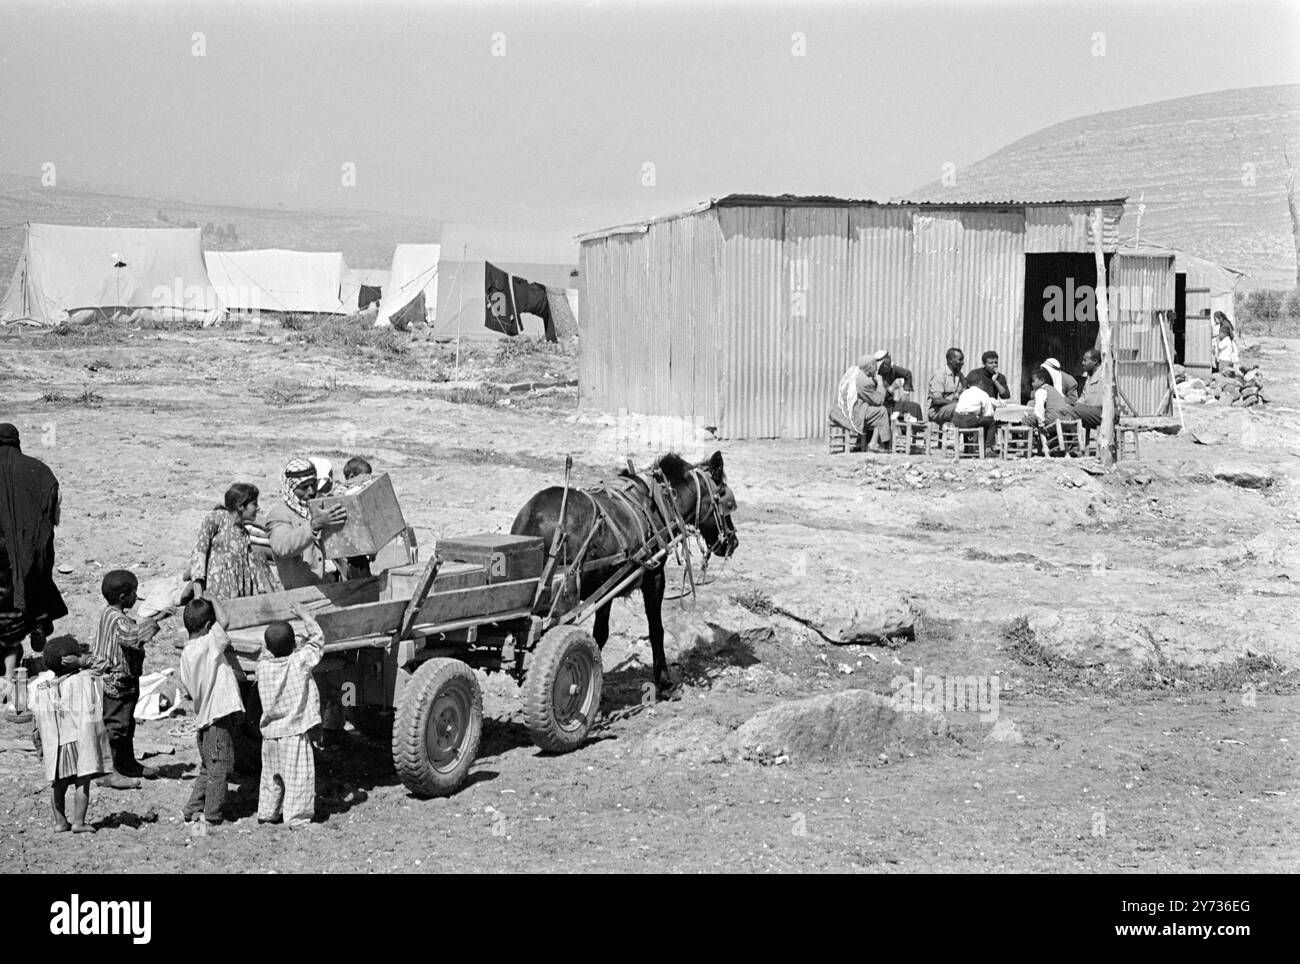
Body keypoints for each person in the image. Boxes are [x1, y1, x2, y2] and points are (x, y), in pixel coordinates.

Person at [0, 423, 67, 684]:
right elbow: (54, 518)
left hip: (2, 562)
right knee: (36, 587)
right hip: (32, 555)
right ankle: (37, 626)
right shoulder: (40, 471)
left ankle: (8, 660)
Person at [32, 636, 112, 833]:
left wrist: (40, 745)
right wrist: (82, 662)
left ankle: (60, 822)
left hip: (56, 746)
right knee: (82, 783)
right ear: (70, 660)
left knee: (57, 785)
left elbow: (37, 723)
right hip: (77, 742)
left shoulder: (43, 688)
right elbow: (104, 666)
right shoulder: (81, 679)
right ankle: (79, 822)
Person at [257, 602, 324, 828]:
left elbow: (265, 654)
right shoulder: (299, 662)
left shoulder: (262, 668)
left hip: (270, 735)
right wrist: (305, 616)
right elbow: (317, 641)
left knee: (271, 777)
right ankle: (296, 818)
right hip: (294, 733)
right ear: (294, 645)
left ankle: (268, 812)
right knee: (298, 778)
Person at [179, 597, 243, 825]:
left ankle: (193, 807)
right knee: (219, 769)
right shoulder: (209, 644)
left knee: (209, 768)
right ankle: (213, 814)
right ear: (208, 627)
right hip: (217, 717)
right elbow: (224, 620)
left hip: (204, 717)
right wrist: (213, 596)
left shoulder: (186, 654)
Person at [93, 569, 159, 788]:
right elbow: (132, 637)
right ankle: (107, 772)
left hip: (122, 680)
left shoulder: (108, 613)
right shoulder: (119, 621)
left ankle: (127, 763)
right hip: (117, 683)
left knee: (126, 724)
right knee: (116, 727)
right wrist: (156, 620)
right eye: (134, 593)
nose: (136, 597)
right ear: (123, 597)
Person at [262, 458, 347, 590]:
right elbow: (283, 546)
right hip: (301, 592)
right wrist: (314, 526)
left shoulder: (322, 506)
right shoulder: (279, 515)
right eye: (304, 487)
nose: (311, 491)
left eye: (313, 484)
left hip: (333, 587)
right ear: (290, 488)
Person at [190, 483, 274, 602]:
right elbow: (199, 554)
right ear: (240, 506)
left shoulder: (243, 533)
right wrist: (198, 596)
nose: (258, 508)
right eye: (254, 504)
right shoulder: (216, 519)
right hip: (214, 596)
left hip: (238, 596)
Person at [831, 355, 893, 452]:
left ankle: (860, 442)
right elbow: (878, 401)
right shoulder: (864, 382)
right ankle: (876, 444)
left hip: (841, 409)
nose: (876, 370)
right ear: (870, 367)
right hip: (852, 414)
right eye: (875, 366)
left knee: (871, 410)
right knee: (881, 411)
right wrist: (880, 384)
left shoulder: (854, 371)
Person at [1022, 367, 1080, 455]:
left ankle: (1026, 449)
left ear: (1041, 380)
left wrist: (1041, 425)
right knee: (1036, 418)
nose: (1032, 384)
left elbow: (1039, 409)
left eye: (1033, 381)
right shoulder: (1053, 390)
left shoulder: (1041, 391)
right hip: (1067, 418)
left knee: (1026, 420)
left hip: (1054, 418)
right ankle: (1039, 448)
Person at [874, 349, 924, 422]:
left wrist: (906, 393)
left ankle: (911, 431)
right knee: (899, 413)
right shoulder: (875, 376)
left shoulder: (892, 369)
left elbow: (907, 374)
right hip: (880, 407)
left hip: (891, 404)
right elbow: (878, 398)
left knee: (914, 407)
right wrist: (891, 389)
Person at [951, 383, 999, 454]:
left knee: (972, 421)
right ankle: (988, 448)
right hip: (968, 421)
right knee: (991, 422)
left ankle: (967, 449)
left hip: (956, 420)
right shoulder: (983, 394)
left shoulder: (964, 393)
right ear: (981, 384)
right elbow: (989, 414)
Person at [926, 348, 966, 424]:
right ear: (950, 360)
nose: (962, 363)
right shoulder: (940, 375)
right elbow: (937, 400)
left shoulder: (960, 376)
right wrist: (955, 403)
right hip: (936, 411)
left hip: (953, 408)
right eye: (960, 360)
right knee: (958, 408)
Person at [1075, 349, 1105, 430]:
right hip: (1093, 411)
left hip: (1104, 412)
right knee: (1069, 409)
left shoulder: (1104, 374)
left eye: (1085, 360)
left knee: (1074, 412)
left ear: (1095, 361)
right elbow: (1083, 397)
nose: (1082, 363)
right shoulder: (1089, 377)